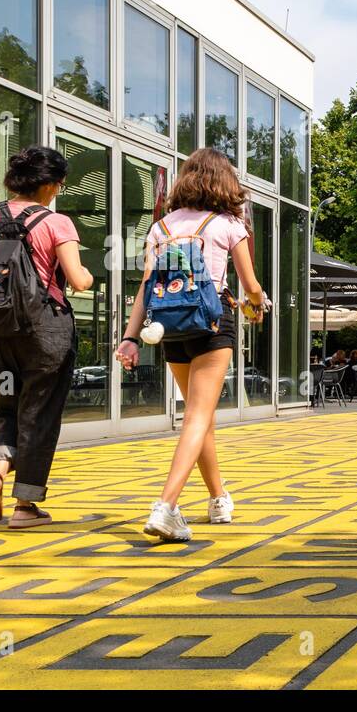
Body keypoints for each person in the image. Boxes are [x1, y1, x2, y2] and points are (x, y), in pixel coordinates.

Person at [116, 148, 267, 542]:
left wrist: (130, 338)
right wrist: (257, 304)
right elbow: (249, 285)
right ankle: (166, 507)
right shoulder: (228, 224)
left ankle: (218, 498)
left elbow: (146, 289)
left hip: (170, 330)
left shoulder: (161, 228)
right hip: (212, 326)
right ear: (224, 182)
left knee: (203, 419)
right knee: (198, 417)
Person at [0, 146, 94, 528]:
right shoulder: (56, 223)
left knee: (8, 406)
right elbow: (78, 279)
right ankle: (25, 506)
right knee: (39, 413)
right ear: (51, 185)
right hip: (44, 331)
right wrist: (87, 276)